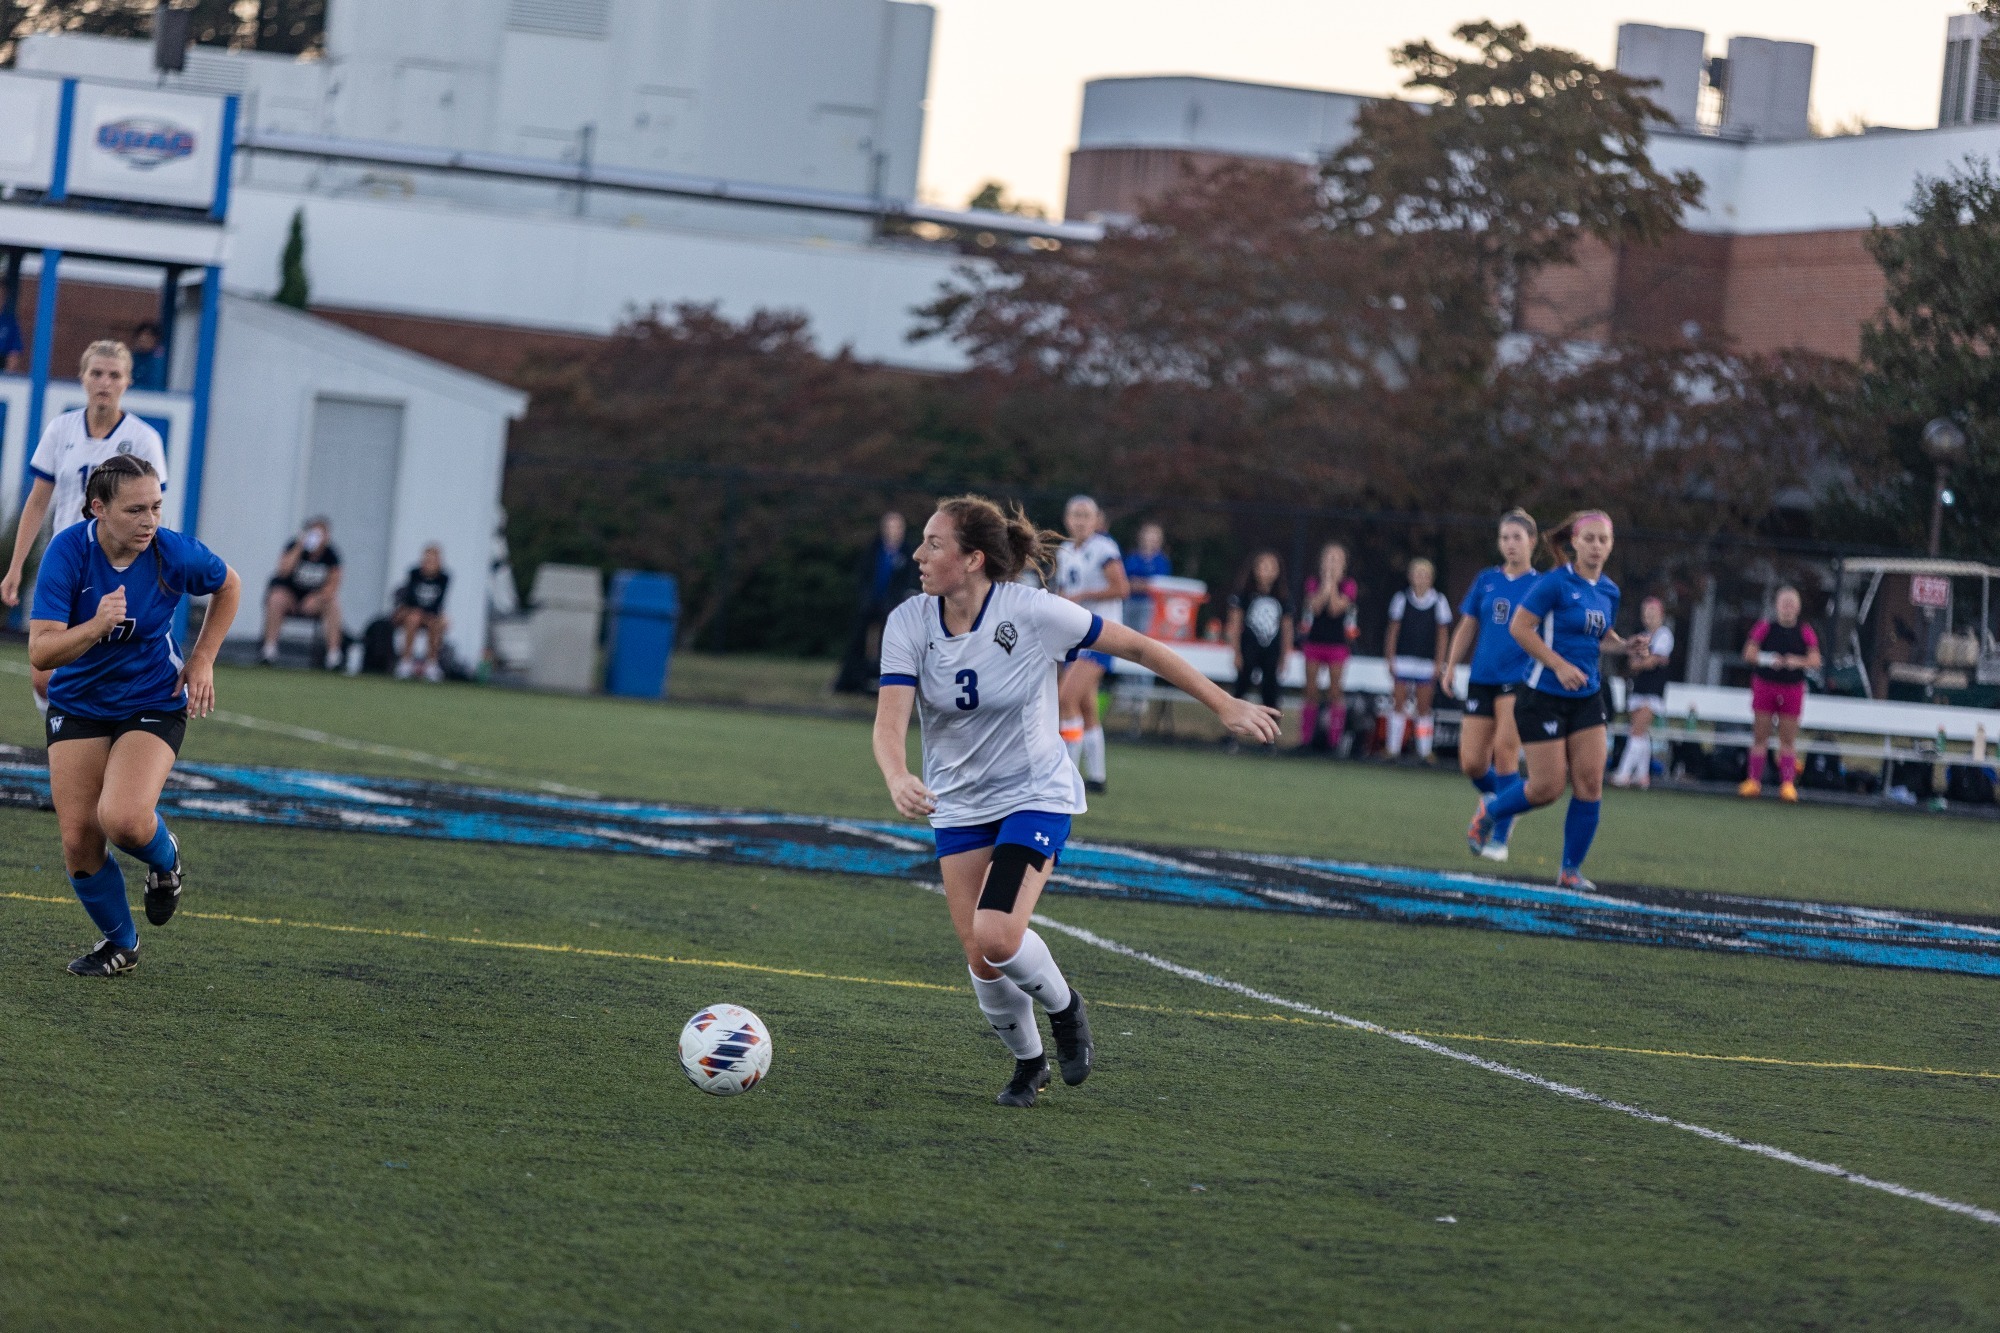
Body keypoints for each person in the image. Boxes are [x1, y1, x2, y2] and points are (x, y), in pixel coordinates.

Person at [872, 495, 1280, 1107]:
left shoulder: (1032, 611)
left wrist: (1224, 705)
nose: (918, 553)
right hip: (957, 801)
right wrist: (898, 774)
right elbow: (888, 721)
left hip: (1034, 792)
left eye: (933, 543)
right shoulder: (909, 622)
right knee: (981, 959)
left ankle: (1066, 1010)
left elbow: (1140, 647)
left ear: (974, 558)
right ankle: (1028, 1062)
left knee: (998, 933)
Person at [27, 455, 241, 976]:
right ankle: (121, 945)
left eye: (157, 507)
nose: (150, 521)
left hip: (152, 699)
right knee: (79, 839)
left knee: (122, 820)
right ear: (98, 509)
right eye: (136, 510)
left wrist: (203, 658)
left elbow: (229, 585)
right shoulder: (69, 551)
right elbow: (41, 654)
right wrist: (96, 625)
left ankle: (166, 861)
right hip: (79, 703)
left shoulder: (172, 553)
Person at [2, 341, 171, 722]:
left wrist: (155, 570)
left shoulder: (144, 440)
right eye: (96, 373)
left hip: (118, 566)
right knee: (43, 673)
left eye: (114, 375)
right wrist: (16, 566)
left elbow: (155, 510)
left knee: (106, 669)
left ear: (127, 381)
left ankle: (112, 746)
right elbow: (38, 501)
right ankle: (64, 743)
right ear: (82, 378)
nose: (104, 383)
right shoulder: (62, 429)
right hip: (67, 562)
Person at [1468, 511, 1624, 891]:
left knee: (1590, 783)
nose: (1596, 546)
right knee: (1547, 788)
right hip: (1543, 697)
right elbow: (1520, 627)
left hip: (1587, 697)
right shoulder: (1555, 583)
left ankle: (1570, 870)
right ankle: (1491, 811)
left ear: (1611, 544)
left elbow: (1596, 634)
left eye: (1603, 539)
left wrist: (1625, 646)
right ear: (1574, 543)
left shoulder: (1609, 591)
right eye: (1589, 539)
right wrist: (1558, 664)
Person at [1442, 510, 1539, 862]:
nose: (1510, 544)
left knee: (1505, 750)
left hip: (1520, 681)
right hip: (1482, 678)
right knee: (1471, 762)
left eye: (1517, 537)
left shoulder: (1541, 585)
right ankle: (1496, 800)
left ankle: (1499, 838)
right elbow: (1467, 625)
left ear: (1532, 540)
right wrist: (1451, 665)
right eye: (1505, 538)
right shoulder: (1486, 579)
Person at [1053, 495, 1127, 793]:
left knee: (1065, 698)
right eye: (1075, 514)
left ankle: (1067, 775)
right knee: (1085, 708)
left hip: (1101, 636)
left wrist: (1082, 597)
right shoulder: (1065, 550)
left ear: (1097, 520)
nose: (1080, 520)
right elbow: (1062, 590)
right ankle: (1096, 777)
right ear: (1066, 519)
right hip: (1076, 637)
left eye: (1086, 515)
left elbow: (1121, 588)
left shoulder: (1104, 548)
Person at [1739, 586, 1821, 802]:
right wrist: (1768, 660)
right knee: (1760, 735)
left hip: (1792, 688)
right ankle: (1753, 781)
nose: (1787, 608)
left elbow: (1815, 661)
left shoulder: (1805, 630)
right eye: (1784, 603)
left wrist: (1796, 661)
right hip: (1765, 684)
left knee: (1788, 738)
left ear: (1798, 608)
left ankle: (1787, 784)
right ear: (1776, 606)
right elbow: (1749, 654)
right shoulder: (1765, 627)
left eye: (1791, 604)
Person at [834, 511, 919, 693]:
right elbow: (864, 576)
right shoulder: (874, 549)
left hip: (892, 607)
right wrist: (866, 598)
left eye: (897, 527)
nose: (893, 531)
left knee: (887, 644)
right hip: (870, 604)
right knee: (857, 640)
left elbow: (908, 581)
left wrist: (894, 601)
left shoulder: (908, 553)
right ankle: (850, 681)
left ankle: (880, 682)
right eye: (889, 527)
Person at [1381, 557, 1452, 760]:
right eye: (1417, 574)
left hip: (1426, 663)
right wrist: (1390, 658)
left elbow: (1442, 635)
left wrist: (1439, 663)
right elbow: (1393, 631)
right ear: (1410, 577)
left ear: (1431, 579)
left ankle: (1424, 751)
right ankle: (1392, 749)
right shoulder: (1401, 599)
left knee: (1423, 708)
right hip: (1403, 659)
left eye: (1425, 574)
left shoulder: (1439, 601)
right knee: (1398, 704)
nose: (1420, 578)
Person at [258, 517, 345, 669]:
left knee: (333, 604)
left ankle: (333, 656)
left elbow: (333, 585)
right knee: (275, 599)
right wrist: (299, 547)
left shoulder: (331, 555)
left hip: (314, 600)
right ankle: (269, 651)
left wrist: (317, 597)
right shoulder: (293, 547)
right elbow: (283, 571)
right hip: (289, 596)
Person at [1226, 550, 1293, 740]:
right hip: (1249, 648)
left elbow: (1287, 628)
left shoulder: (1282, 597)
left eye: (1272, 567)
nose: (1267, 571)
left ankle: (1269, 736)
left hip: (1271, 651)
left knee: (1271, 692)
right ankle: (1232, 733)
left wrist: (1284, 656)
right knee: (1240, 689)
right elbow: (1235, 622)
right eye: (1263, 566)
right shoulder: (1244, 594)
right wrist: (1236, 652)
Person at [1297, 542, 1358, 751]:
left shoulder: (1349, 585)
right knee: (1311, 690)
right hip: (1315, 642)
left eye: (1337, 558)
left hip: (1337, 645)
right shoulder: (1313, 582)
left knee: (1334, 692)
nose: (1332, 562)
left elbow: (1335, 609)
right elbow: (1314, 607)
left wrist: (1333, 584)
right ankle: (1306, 741)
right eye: (1328, 557)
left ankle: (1334, 743)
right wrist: (1325, 584)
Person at [1611, 597, 1674, 789]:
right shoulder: (1643, 635)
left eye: (1652, 613)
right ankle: (1642, 775)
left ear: (1661, 615)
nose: (1649, 617)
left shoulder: (1664, 635)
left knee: (1637, 732)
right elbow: (1634, 662)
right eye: (1646, 613)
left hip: (1653, 690)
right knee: (1640, 732)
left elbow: (1650, 661)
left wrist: (1643, 660)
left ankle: (1623, 773)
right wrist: (1642, 660)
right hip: (1639, 688)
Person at [393, 543, 451, 681]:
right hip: (413, 612)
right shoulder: (414, 573)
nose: (429, 564)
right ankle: (406, 661)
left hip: (430, 614)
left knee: (437, 623)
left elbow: (439, 602)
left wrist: (430, 615)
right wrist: (419, 613)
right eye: (427, 560)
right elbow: (410, 599)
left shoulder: (444, 578)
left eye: (433, 560)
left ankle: (431, 663)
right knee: (413, 618)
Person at [1121, 521, 1171, 635]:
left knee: (1143, 634)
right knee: (1126, 631)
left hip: (1149, 604)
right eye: (1149, 534)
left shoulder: (1161, 561)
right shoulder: (1133, 557)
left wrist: (1139, 583)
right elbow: (1125, 581)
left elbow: (1159, 585)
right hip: (1131, 601)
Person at [129, 321, 167, 391]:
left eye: (148, 338)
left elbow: (156, 384)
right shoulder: (132, 358)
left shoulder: (159, 361)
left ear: (155, 340)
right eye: (141, 338)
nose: (143, 340)